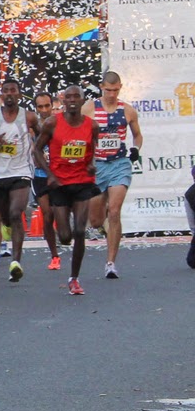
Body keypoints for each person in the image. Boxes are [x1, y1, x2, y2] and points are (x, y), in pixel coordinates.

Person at [32, 85, 99, 296]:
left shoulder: (92, 125)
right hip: (59, 184)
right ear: (63, 100)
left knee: (80, 231)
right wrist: (49, 173)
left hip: (82, 182)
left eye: (76, 96)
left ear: (82, 100)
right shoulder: (53, 123)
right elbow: (36, 150)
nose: (72, 100)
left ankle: (74, 278)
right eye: (68, 96)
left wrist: (91, 163)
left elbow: (93, 150)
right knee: (65, 237)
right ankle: (63, 246)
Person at [0, 78, 40, 283]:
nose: (9, 94)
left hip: (20, 171)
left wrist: (41, 159)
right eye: (5, 91)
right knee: (6, 218)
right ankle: (8, 228)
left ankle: (16, 262)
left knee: (16, 214)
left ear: (19, 94)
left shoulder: (29, 117)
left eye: (12, 91)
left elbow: (42, 138)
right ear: (1, 95)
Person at [89, 71, 143, 280]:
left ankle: (110, 263)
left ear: (120, 87)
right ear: (101, 87)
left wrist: (135, 148)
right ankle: (102, 227)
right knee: (95, 220)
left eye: (115, 90)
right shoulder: (90, 108)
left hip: (119, 164)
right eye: (108, 90)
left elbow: (137, 135)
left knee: (114, 210)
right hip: (98, 165)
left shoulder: (127, 110)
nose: (111, 94)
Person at [32, 91, 63, 272]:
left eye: (47, 106)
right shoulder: (32, 126)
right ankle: (54, 254)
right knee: (47, 213)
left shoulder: (59, 123)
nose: (44, 110)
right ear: (36, 108)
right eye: (40, 107)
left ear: (52, 105)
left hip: (59, 175)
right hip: (40, 176)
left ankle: (64, 236)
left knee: (60, 213)